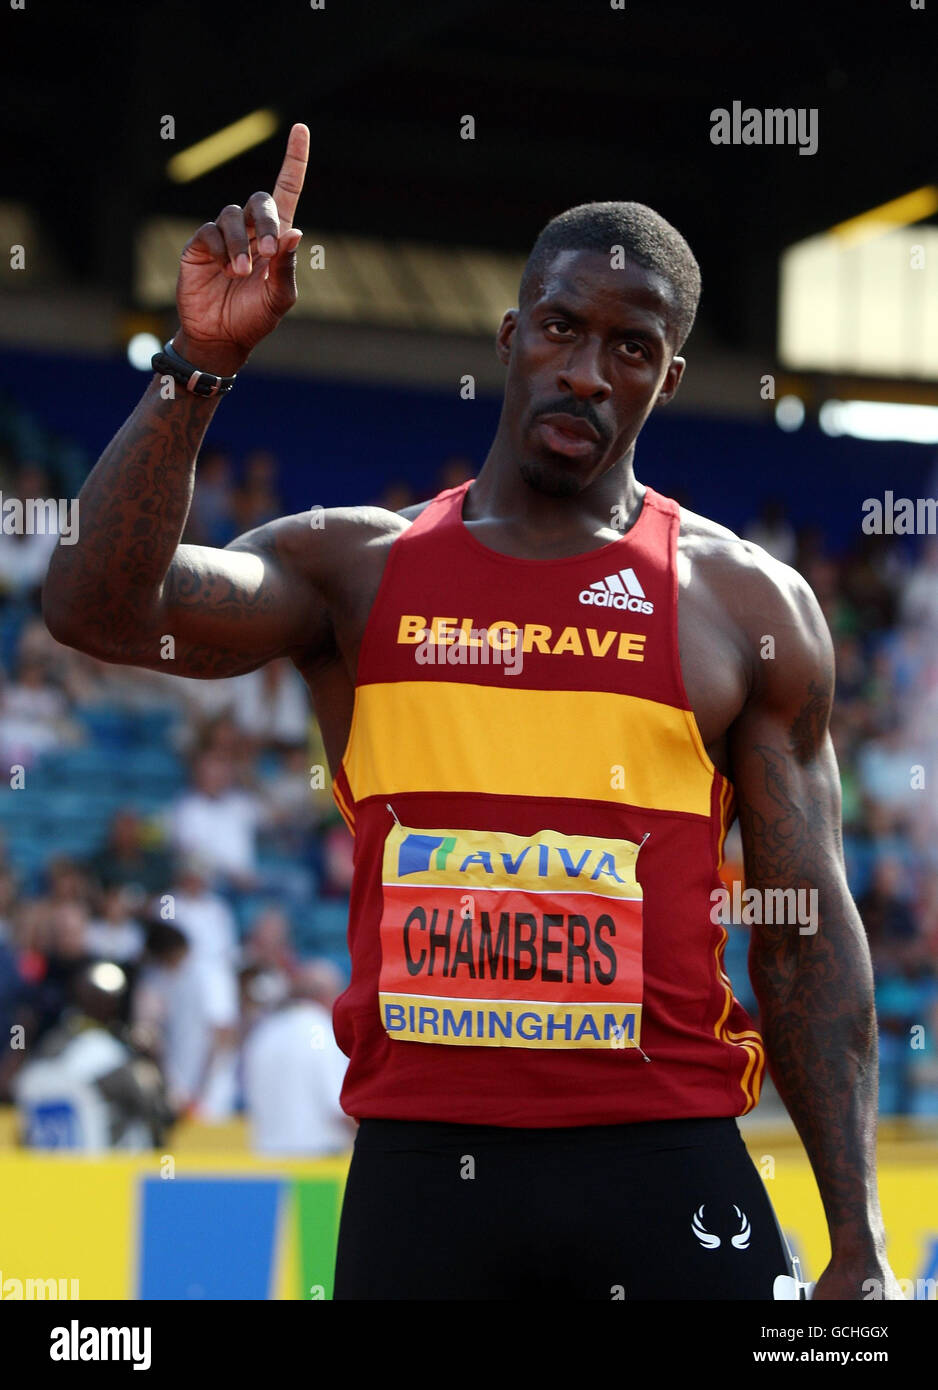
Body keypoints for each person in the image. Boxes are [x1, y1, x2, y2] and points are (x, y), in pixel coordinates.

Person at [42, 124, 901, 1300]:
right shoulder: (356, 569)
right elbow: (96, 609)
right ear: (509, 336)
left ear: (667, 378)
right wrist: (197, 361)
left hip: (661, 1151)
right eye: (559, 327)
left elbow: (805, 934)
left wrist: (855, 1237)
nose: (586, 371)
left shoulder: (741, 603)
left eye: (629, 347)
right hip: (422, 1167)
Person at [242, 960, 352, 1155]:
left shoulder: (265, 1031)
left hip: (268, 1158)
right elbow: (338, 1106)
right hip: (316, 1162)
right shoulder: (321, 1031)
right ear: (326, 995)